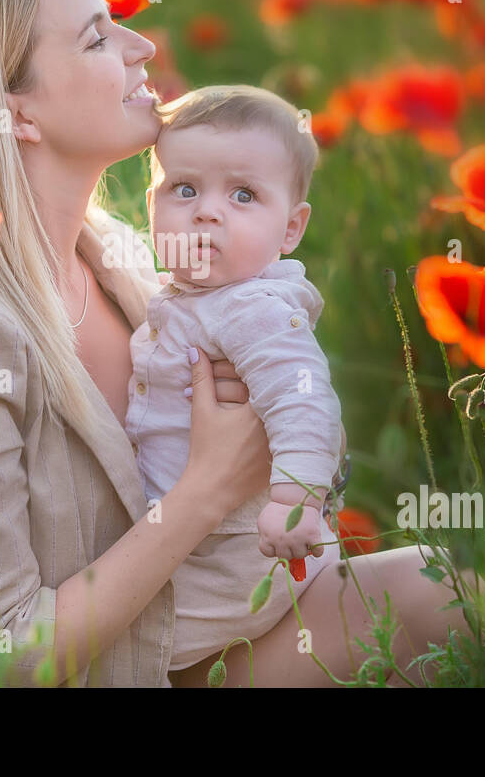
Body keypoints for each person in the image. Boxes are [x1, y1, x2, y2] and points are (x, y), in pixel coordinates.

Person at [0, 0, 473, 687]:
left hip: (164, 655)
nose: (143, 48)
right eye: (96, 38)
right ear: (15, 111)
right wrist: (203, 493)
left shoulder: (122, 259)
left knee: (439, 591)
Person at [126, 84, 345, 676]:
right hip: (198, 543)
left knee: (126, 645)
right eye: (185, 188)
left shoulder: (253, 310)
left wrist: (297, 498)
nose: (207, 210)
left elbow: (304, 400)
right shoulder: (190, 299)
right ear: (151, 206)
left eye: (243, 195)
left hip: (239, 556)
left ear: (291, 229)